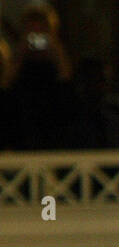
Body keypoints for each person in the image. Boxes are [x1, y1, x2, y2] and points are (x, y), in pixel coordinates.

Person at [0, 2, 77, 151]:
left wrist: (58, 55)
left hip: (54, 145)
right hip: (20, 144)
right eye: (31, 34)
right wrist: (18, 57)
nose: (36, 41)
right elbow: (5, 100)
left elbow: (70, 106)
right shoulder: (18, 70)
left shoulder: (58, 70)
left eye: (42, 34)